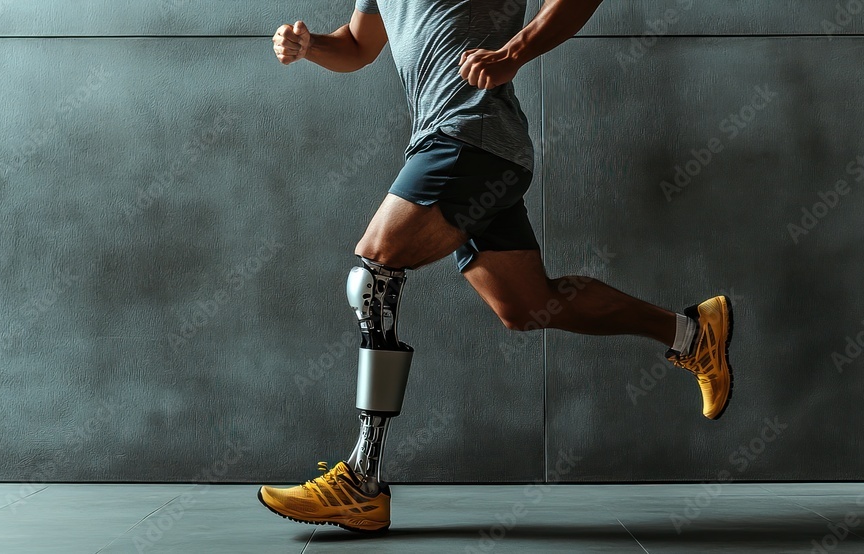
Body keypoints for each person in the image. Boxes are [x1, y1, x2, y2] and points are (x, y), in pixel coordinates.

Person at [258, 0, 733, 534]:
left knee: (375, 271)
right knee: (527, 305)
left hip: (469, 135)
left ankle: (362, 482)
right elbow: (358, 45)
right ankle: (692, 333)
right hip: (456, 142)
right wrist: (311, 46)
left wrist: (513, 52)